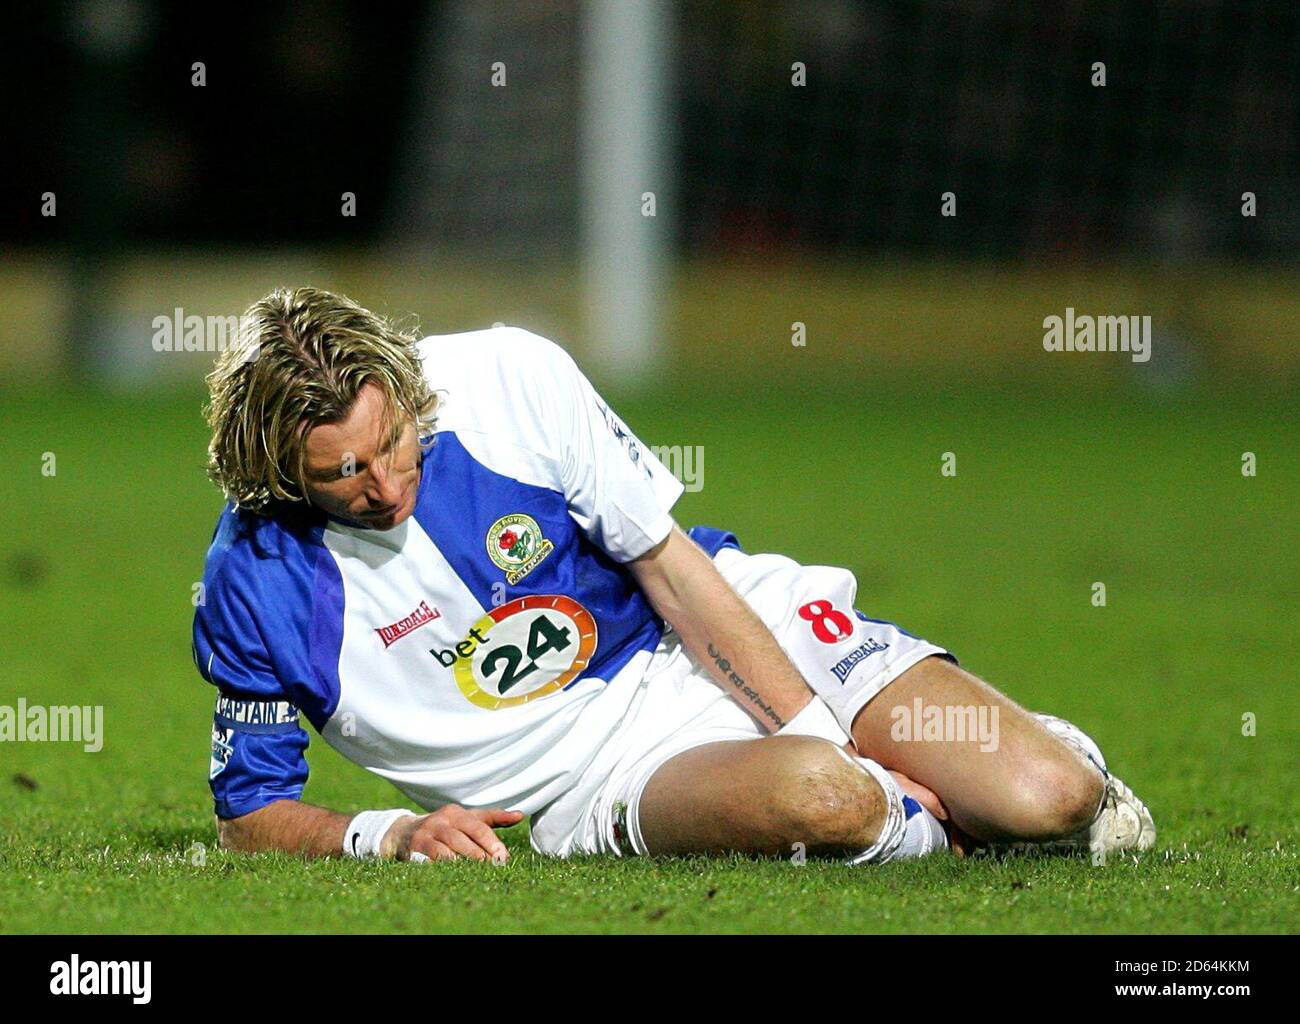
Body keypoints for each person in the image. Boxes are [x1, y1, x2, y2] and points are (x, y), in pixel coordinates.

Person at [196, 286, 1155, 865]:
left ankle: (1022, 776)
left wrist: (823, 732)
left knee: (1052, 799)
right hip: (597, 779)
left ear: (405, 389)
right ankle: (918, 816)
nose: (386, 483)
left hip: (713, 627)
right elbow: (252, 815)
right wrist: (386, 835)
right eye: (342, 474)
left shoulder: (508, 379)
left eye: (394, 442)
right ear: (279, 474)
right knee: (832, 802)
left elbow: (673, 569)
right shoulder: (253, 578)